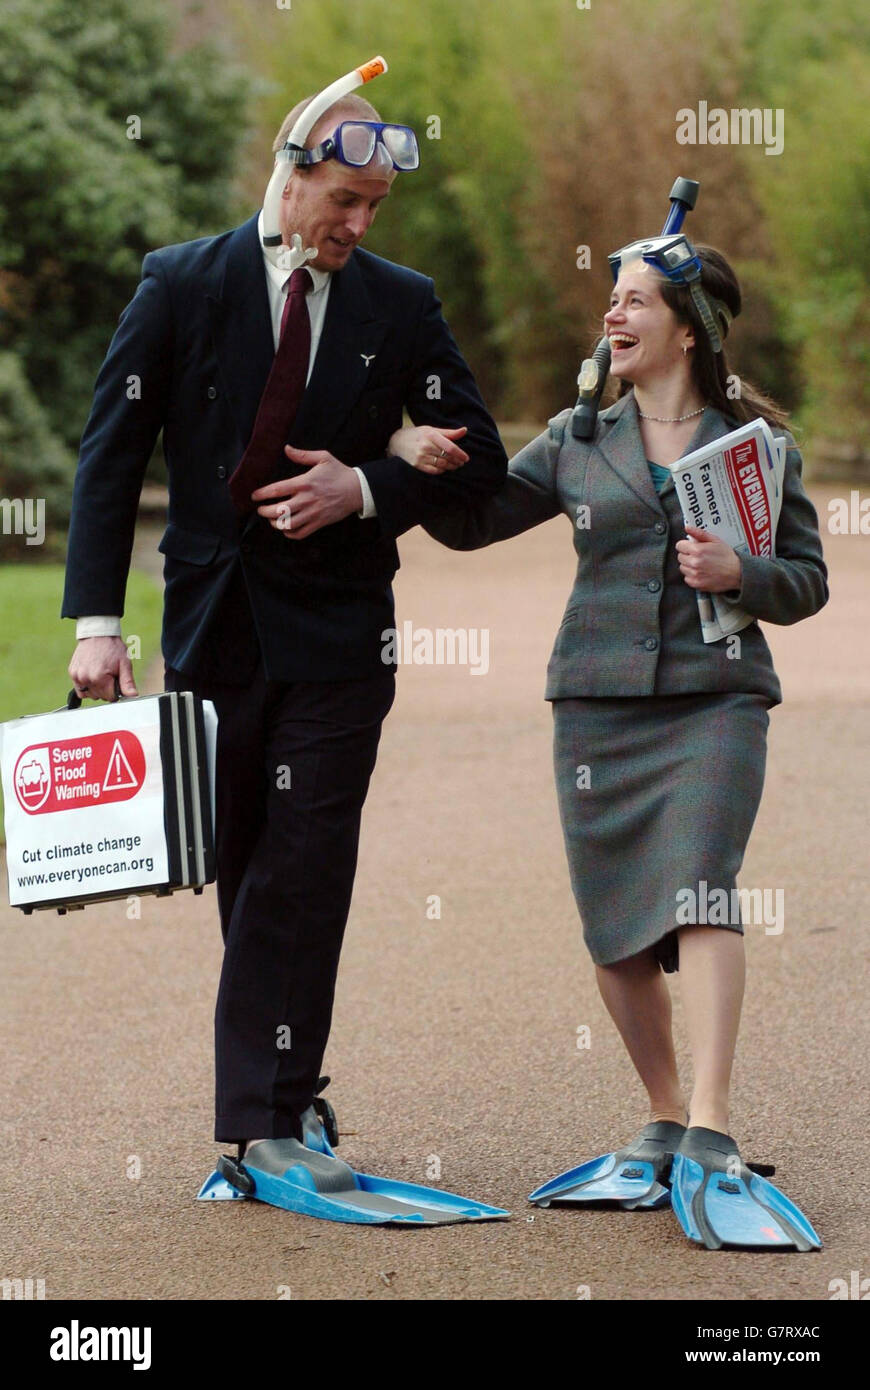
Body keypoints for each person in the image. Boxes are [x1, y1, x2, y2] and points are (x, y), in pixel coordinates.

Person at [61, 81, 508, 1222]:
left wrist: (367, 483)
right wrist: (98, 626)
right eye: (348, 199)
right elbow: (111, 457)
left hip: (340, 640)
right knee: (251, 867)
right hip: (211, 633)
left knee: (307, 866)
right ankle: (289, 1091)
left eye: (377, 207)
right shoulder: (182, 283)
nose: (360, 226)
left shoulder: (401, 305)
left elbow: (486, 460)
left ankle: (261, 1122)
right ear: (292, 170)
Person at [388, 239, 829, 1250]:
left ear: (688, 330)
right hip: (595, 705)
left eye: (634, 303)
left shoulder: (760, 448)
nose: (611, 318)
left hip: (719, 701)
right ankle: (665, 1117)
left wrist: (740, 572)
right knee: (617, 929)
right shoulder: (577, 437)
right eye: (610, 301)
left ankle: (714, 1126)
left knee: (703, 885)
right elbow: (476, 525)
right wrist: (417, 460)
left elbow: (807, 581)